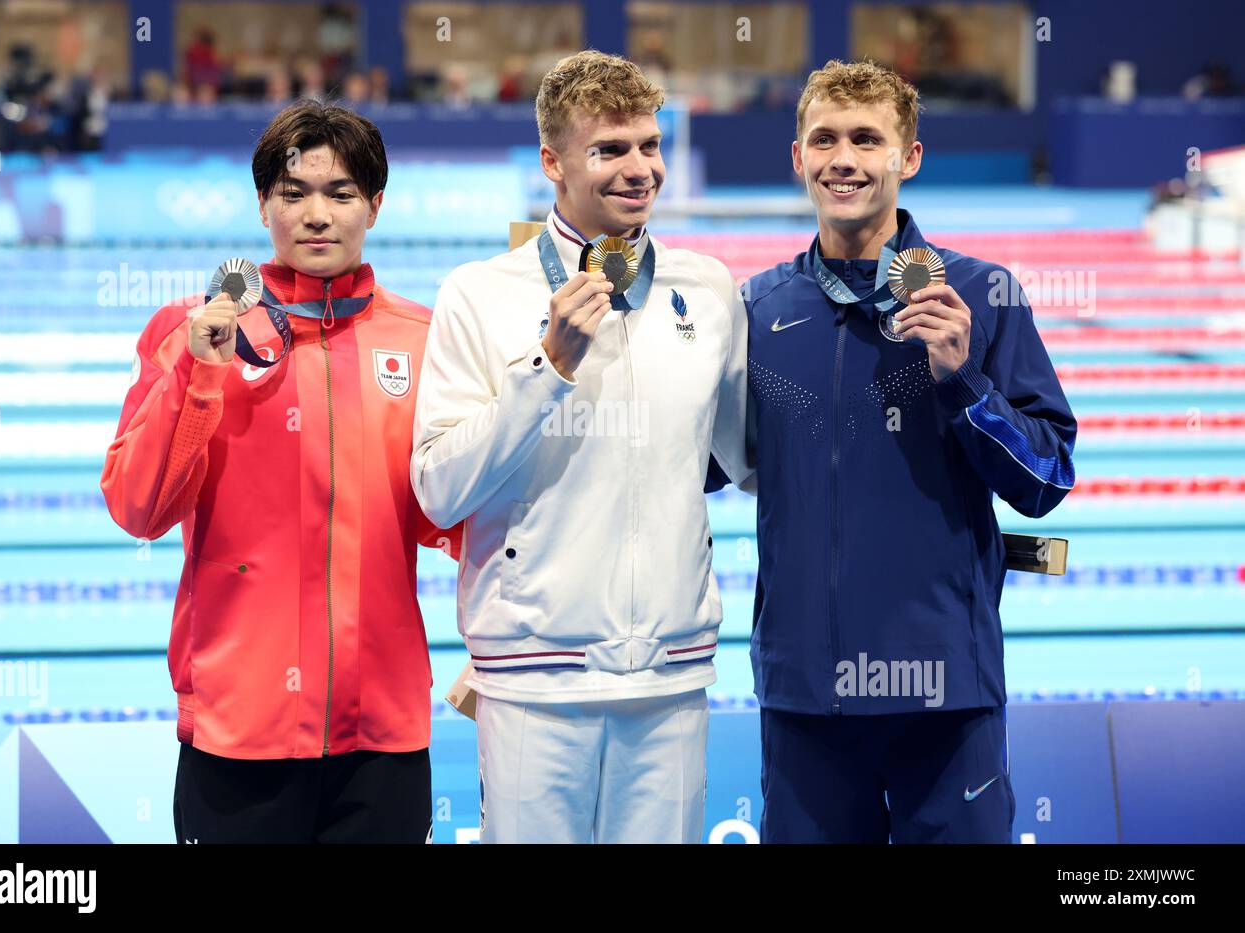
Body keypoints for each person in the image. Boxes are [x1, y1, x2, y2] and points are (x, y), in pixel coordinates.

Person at [411, 50, 753, 844]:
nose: (640, 170)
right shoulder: (479, 293)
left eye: (650, 145)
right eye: (610, 150)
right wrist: (547, 366)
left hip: (671, 677)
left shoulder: (707, 289)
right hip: (534, 682)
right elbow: (437, 486)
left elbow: (748, 459)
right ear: (553, 163)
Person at [101, 100, 456, 843]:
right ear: (264, 205)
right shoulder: (192, 332)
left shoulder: (423, 341)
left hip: (382, 736)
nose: (317, 214)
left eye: (342, 193)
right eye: (294, 194)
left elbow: (453, 522)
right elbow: (139, 507)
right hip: (239, 731)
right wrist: (200, 373)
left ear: (376, 206)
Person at [740, 60, 1076, 843]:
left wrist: (963, 384)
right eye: (824, 139)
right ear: (798, 158)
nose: (844, 159)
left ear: (909, 157)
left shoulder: (981, 295)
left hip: (946, 696)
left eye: (868, 138)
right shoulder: (758, 309)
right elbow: (708, 466)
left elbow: (1046, 478)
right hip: (803, 697)